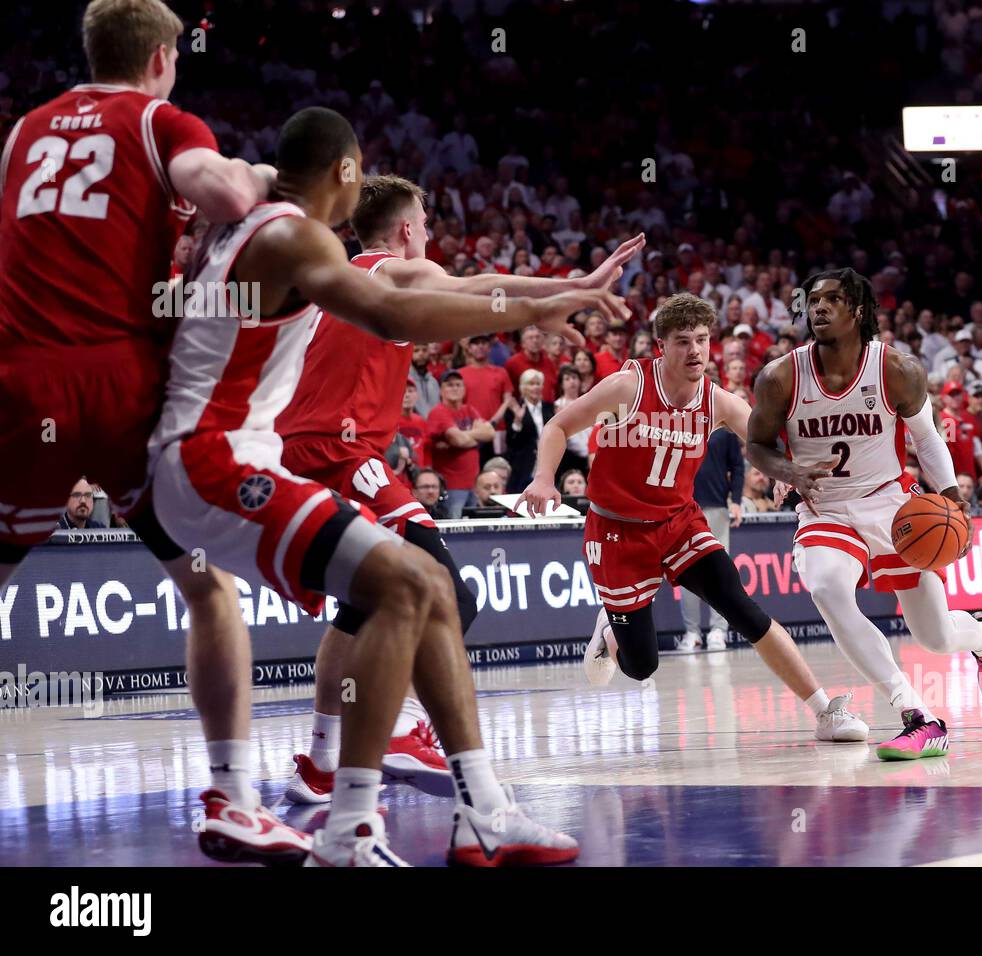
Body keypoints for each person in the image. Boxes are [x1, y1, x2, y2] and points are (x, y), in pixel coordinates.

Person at [150, 107, 627, 866]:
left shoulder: (250, 240)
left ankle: (471, 805)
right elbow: (406, 302)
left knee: (419, 588)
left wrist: (552, 287)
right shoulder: (316, 245)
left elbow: (185, 300)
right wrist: (543, 300)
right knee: (417, 590)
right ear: (344, 172)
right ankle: (352, 805)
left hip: (247, 449)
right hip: (259, 455)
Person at [0, 0, 306, 865]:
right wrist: (251, 172)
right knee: (205, 586)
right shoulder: (159, 118)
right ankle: (232, 796)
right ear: (164, 58)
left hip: (23, 378)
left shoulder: (24, 129)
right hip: (121, 382)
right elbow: (222, 190)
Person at [521, 292, 870, 744]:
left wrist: (785, 473)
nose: (695, 351)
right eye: (683, 341)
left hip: (679, 524)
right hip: (617, 532)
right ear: (661, 346)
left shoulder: (717, 401)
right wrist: (544, 477)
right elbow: (558, 426)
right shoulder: (628, 386)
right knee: (641, 664)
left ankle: (825, 712)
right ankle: (610, 627)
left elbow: (761, 439)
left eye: (703, 340)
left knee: (740, 605)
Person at [746, 269, 982, 761]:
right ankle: (917, 715)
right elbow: (757, 445)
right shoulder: (780, 376)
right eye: (812, 300)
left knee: (935, 637)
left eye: (832, 299)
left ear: (859, 311)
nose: (818, 307)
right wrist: (790, 469)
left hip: (893, 507)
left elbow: (928, 438)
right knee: (826, 583)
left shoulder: (897, 369)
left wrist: (954, 497)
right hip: (826, 508)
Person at [678, 428, 744, 652]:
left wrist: (736, 500)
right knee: (686, 571)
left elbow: (737, 466)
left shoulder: (725, 430)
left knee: (719, 571)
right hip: (681, 508)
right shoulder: (678, 421)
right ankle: (692, 632)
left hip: (716, 507)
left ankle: (718, 630)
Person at [426, 371, 497, 518]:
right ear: (441, 390)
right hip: (451, 486)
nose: (454, 388)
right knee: (455, 528)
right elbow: (459, 440)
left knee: (473, 529)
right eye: (450, 385)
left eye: (458, 385)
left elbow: (490, 433)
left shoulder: (469, 409)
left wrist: (465, 435)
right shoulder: (438, 412)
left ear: (464, 389)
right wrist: (475, 435)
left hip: (473, 484)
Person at [504, 368, 556, 492]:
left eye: (538, 384)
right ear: (523, 387)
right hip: (523, 464)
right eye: (531, 384)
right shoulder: (514, 409)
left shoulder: (550, 408)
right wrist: (517, 421)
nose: (535, 387)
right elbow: (511, 441)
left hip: (548, 463)